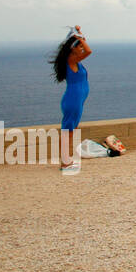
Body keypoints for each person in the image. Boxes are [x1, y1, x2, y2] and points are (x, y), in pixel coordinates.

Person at [49, 25, 91, 173]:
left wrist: (79, 34)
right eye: (78, 46)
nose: (81, 48)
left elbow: (84, 47)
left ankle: (67, 160)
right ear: (72, 48)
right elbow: (89, 50)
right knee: (68, 132)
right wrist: (78, 37)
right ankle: (65, 163)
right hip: (73, 100)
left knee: (71, 131)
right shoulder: (71, 60)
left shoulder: (75, 61)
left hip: (77, 100)